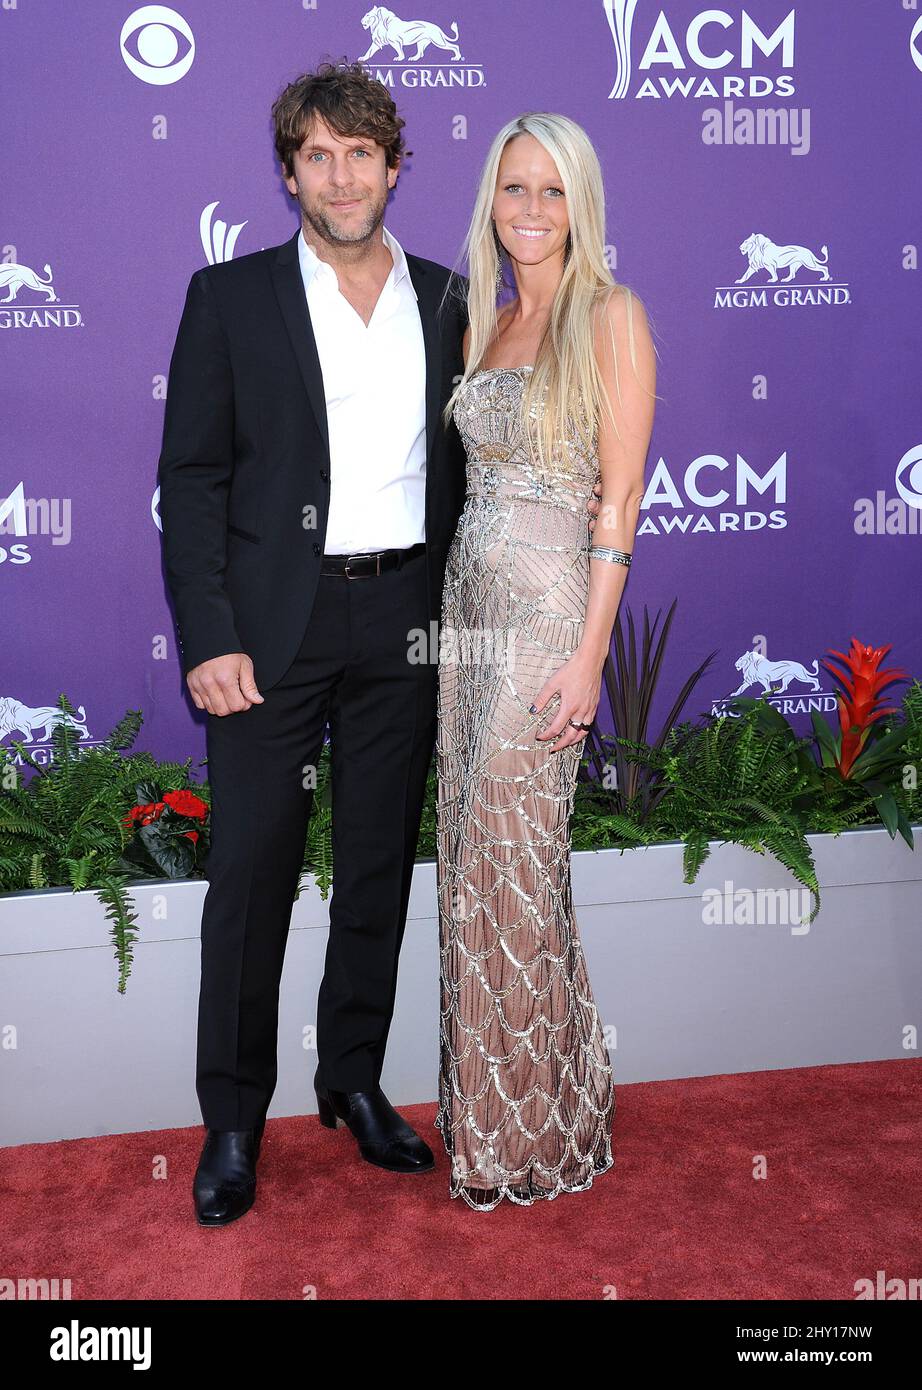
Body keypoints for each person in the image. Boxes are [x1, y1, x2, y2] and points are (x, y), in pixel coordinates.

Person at [157, 62, 603, 1226]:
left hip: (409, 620)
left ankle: (351, 1078)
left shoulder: (456, 301)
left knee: (372, 872)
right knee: (250, 874)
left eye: (363, 154)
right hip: (268, 633)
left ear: (395, 168)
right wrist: (209, 634)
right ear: (290, 171)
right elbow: (192, 481)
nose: (342, 175)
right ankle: (235, 1119)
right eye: (318, 154)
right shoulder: (230, 298)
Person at [433, 112, 658, 1209]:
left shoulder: (607, 315)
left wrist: (589, 659)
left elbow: (617, 504)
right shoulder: (490, 314)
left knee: (512, 850)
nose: (529, 209)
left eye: (551, 191)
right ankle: (500, 1116)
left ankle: (535, 1128)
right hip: (468, 619)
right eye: (513, 188)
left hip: (547, 618)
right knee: (476, 854)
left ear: (582, 204)